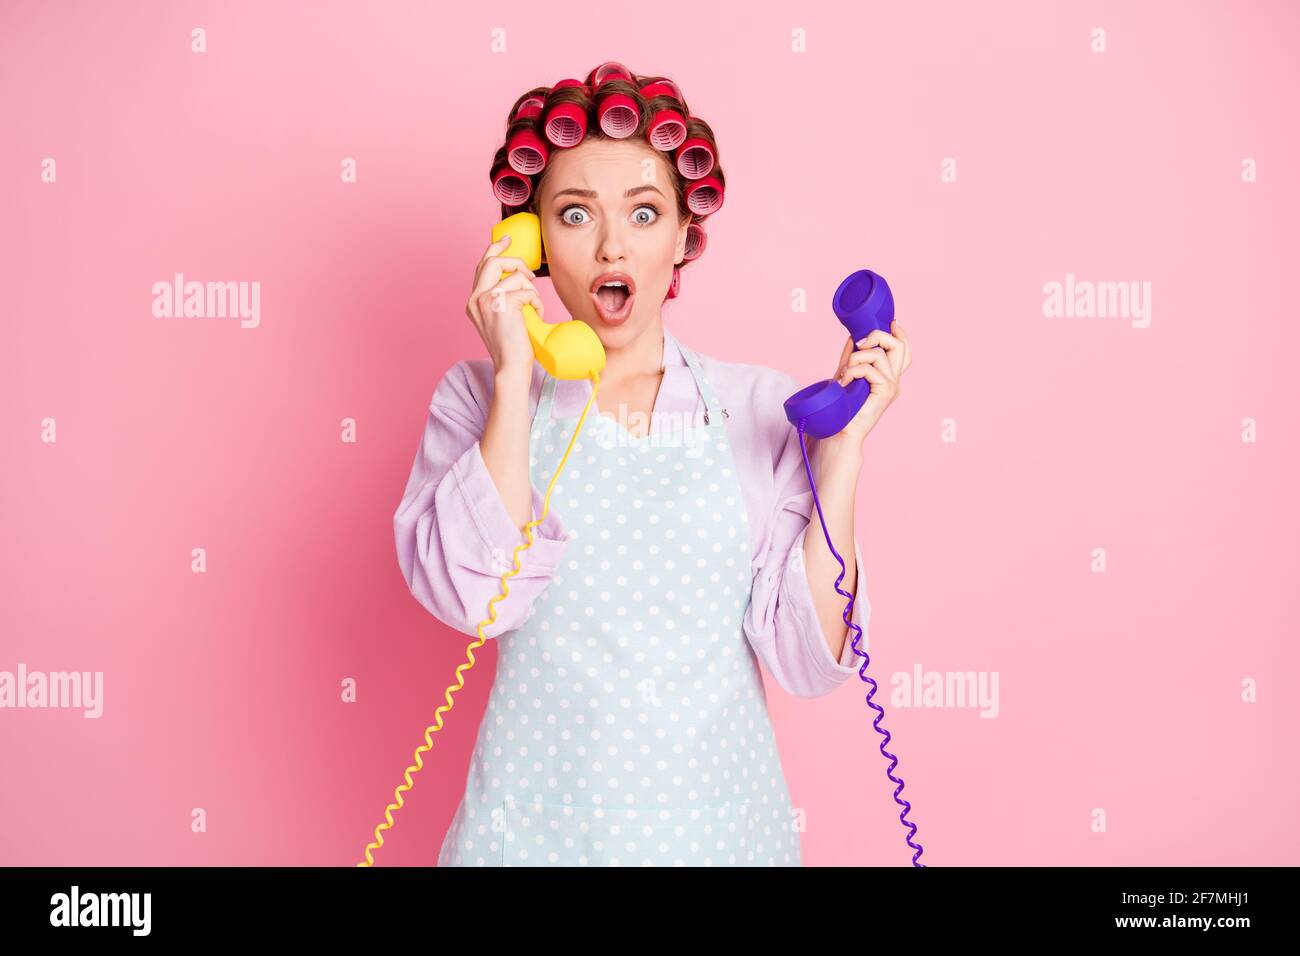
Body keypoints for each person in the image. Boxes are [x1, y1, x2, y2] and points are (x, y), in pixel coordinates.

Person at [394, 62, 912, 866]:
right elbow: (475, 599)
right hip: (533, 843)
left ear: (681, 235)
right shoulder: (480, 400)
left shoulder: (758, 410)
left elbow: (810, 661)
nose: (611, 246)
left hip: (718, 841)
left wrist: (839, 458)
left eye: (643, 213)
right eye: (574, 214)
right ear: (527, 242)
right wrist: (510, 376)